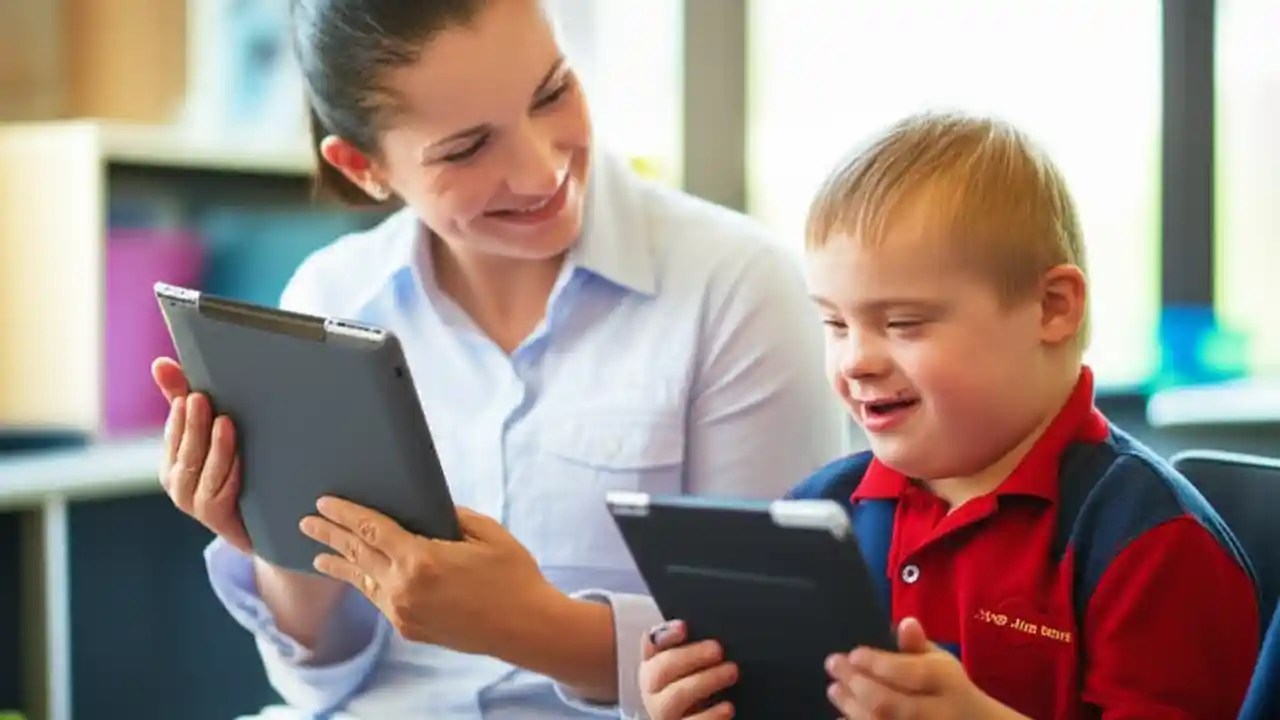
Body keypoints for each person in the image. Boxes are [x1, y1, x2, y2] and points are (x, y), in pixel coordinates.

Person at [151, 0, 842, 717]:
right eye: (467, 149)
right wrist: (280, 542)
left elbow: (779, 660)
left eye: (552, 93)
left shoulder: (737, 287)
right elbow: (315, 684)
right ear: (364, 167)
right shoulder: (331, 297)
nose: (541, 171)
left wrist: (527, 625)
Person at [637, 112, 1262, 720]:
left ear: (1052, 308)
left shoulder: (1151, 542)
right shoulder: (816, 516)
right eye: (835, 323)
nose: (856, 360)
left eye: (903, 323)